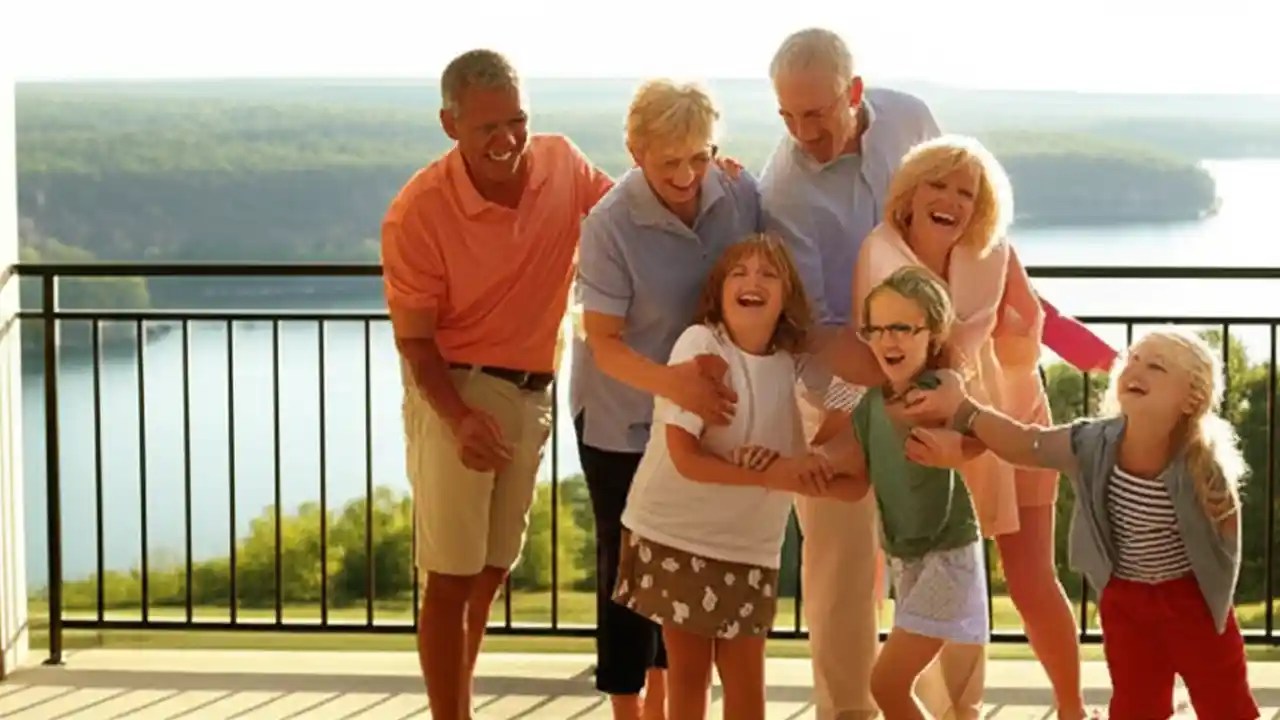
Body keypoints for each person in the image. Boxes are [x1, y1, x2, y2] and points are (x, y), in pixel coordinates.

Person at [380, 48, 614, 720]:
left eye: (518, 121)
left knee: (489, 570)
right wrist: (458, 417)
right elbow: (415, 342)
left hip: (534, 389)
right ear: (449, 124)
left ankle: (460, 704)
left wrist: (708, 173)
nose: (509, 139)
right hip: (458, 388)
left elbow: (630, 215)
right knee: (451, 579)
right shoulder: (418, 211)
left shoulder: (563, 164)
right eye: (489, 128)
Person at [758, 27, 972, 719]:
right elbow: (813, 328)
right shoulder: (783, 190)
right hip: (836, 389)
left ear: (854, 92)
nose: (803, 132)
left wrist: (935, 374)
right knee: (842, 571)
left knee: (943, 552)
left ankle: (954, 711)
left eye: (816, 113)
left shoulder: (910, 117)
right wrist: (899, 373)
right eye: (788, 116)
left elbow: (964, 224)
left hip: (928, 375)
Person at [845, 134, 1087, 717]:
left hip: (1011, 417)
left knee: (1031, 578)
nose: (952, 200)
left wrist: (987, 408)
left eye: (967, 192)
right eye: (938, 184)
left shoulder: (995, 251)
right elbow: (870, 349)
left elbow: (1026, 335)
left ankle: (1073, 710)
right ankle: (960, 710)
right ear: (909, 193)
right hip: (927, 427)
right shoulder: (878, 255)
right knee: (942, 574)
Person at [905, 328, 1259, 719]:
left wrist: (1217, 597)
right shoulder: (1092, 443)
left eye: (1156, 366)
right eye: (1132, 359)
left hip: (1191, 601)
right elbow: (1027, 444)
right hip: (1127, 601)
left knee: (1225, 701)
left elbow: (1227, 540)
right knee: (1135, 706)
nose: (1136, 369)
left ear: (1192, 399)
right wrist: (966, 411)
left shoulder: (1203, 466)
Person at [613, 234, 866, 720]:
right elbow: (685, 458)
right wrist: (773, 473)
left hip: (750, 545)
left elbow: (840, 410)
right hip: (678, 535)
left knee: (747, 680)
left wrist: (823, 451)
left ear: (787, 297)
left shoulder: (792, 366)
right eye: (740, 272)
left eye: (769, 274)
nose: (754, 281)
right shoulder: (702, 346)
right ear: (719, 290)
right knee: (690, 674)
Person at [570, 78, 761, 719]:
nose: (686, 176)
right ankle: (629, 712)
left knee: (682, 568)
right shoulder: (609, 224)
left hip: (698, 414)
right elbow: (604, 344)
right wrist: (675, 385)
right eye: (669, 161)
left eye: (700, 157)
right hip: (621, 417)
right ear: (635, 151)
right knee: (628, 574)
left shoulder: (737, 194)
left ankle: (666, 708)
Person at [850, 266, 989, 719]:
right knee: (894, 687)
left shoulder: (939, 391)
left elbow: (983, 436)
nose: (887, 340)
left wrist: (958, 447)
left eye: (901, 328)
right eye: (876, 329)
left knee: (886, 683)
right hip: (906, 558)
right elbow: (854, 477)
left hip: (948, 556)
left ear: (932, 334)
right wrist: (793, 470)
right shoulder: (870, 405)